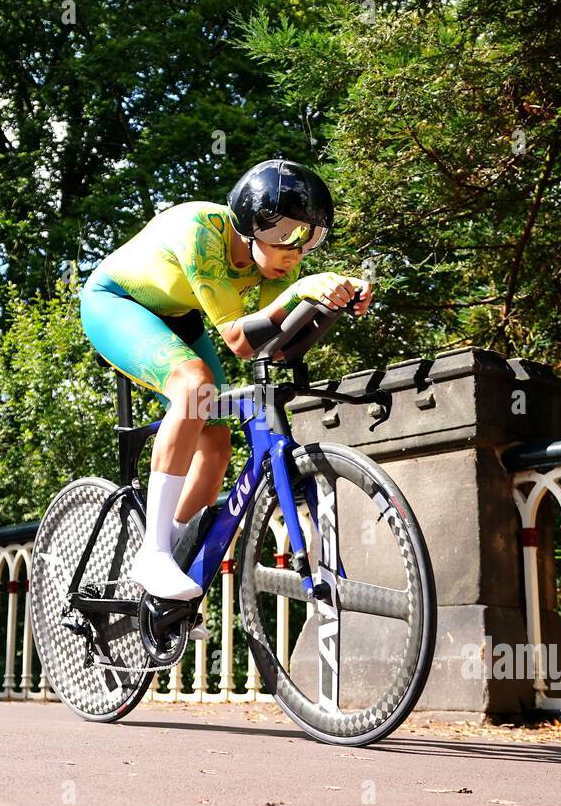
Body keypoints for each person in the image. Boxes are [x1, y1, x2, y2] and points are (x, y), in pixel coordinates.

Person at [79, 159, 373, 604]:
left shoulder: (282, 260)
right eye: (286, 237)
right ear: (251, 227)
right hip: (116, 304)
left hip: (182, 317)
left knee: (216, 445)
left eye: (310, 238)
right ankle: (152, 553)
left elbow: (271, 345)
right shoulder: (201, 230)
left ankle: (165, 578)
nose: (295, 252)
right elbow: (238, 339)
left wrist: (331, 304)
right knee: (195, 387)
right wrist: (300, 292)